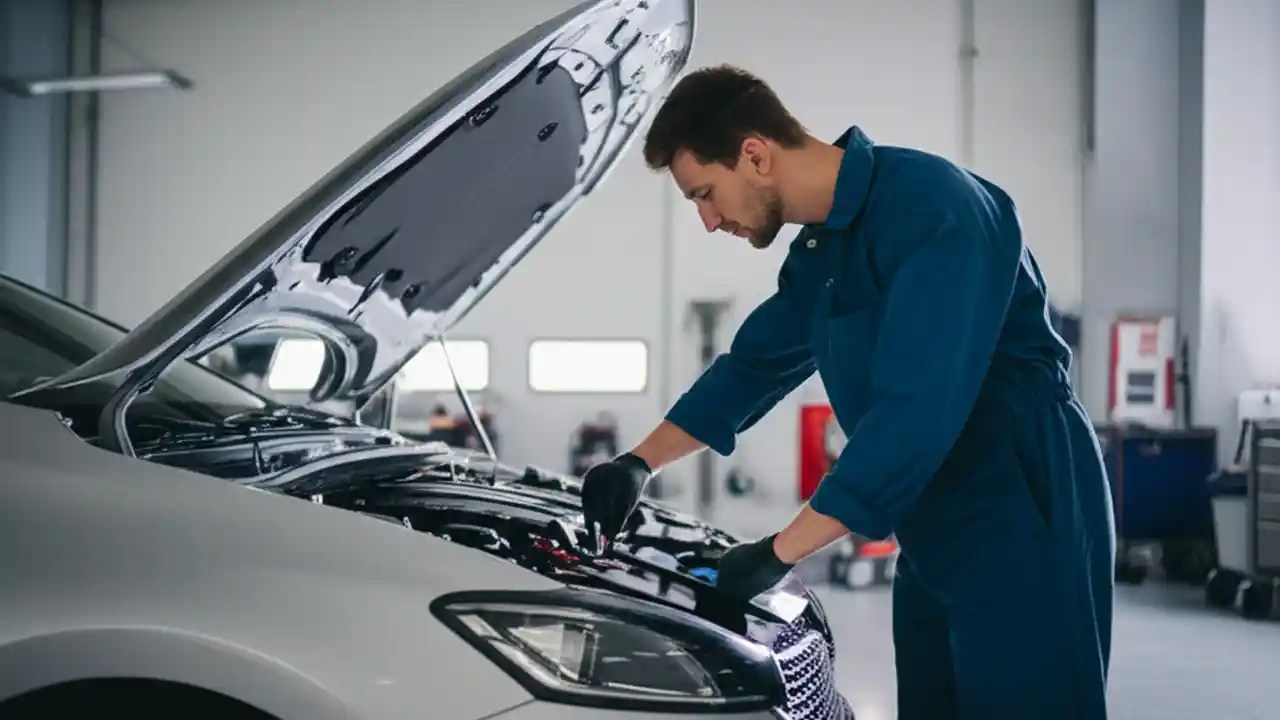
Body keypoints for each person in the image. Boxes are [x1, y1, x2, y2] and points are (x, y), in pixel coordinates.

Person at [579, 65, 1115, 720]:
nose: (709, 222)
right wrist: (638, 462)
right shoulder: (821, 253)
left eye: (704, 194)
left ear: (755, 154)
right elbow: (751, 368)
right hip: (933, 521)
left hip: (1021, 504)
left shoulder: (935, 207)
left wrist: (779, 552)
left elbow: (915, 416)